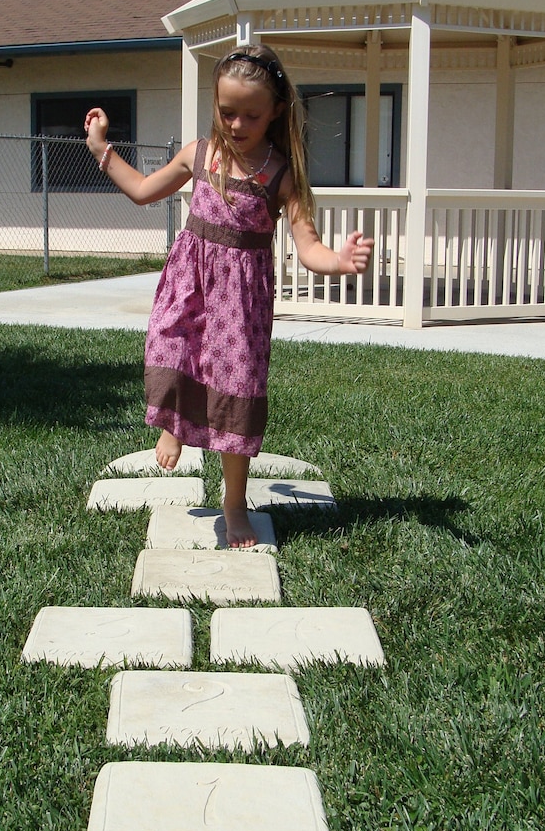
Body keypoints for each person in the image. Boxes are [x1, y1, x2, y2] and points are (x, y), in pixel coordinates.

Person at [85, 44, 373, 548]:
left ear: (276, 111)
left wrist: (339, 261)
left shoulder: (281, 174)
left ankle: (234, 502)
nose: (237, 124)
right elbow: (143, 190)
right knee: (172, 350)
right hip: (189, 284)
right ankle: (175, 423)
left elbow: (308, 247)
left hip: (241, 302)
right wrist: (101, 150)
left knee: (234, 392)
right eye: (227, 111)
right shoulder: (199, 154)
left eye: (251, 115)